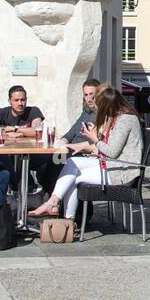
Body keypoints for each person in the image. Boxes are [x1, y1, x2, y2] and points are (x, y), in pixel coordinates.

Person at [31, 84, 143, 222]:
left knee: (73, 176)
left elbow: (112, 152)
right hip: (110, 165)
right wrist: (87, 143)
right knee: (71, 163)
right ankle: (56, 207)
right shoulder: (116, 118)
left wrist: (95, 139)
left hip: (122, 172)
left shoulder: (126, 120)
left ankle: (66, 218)